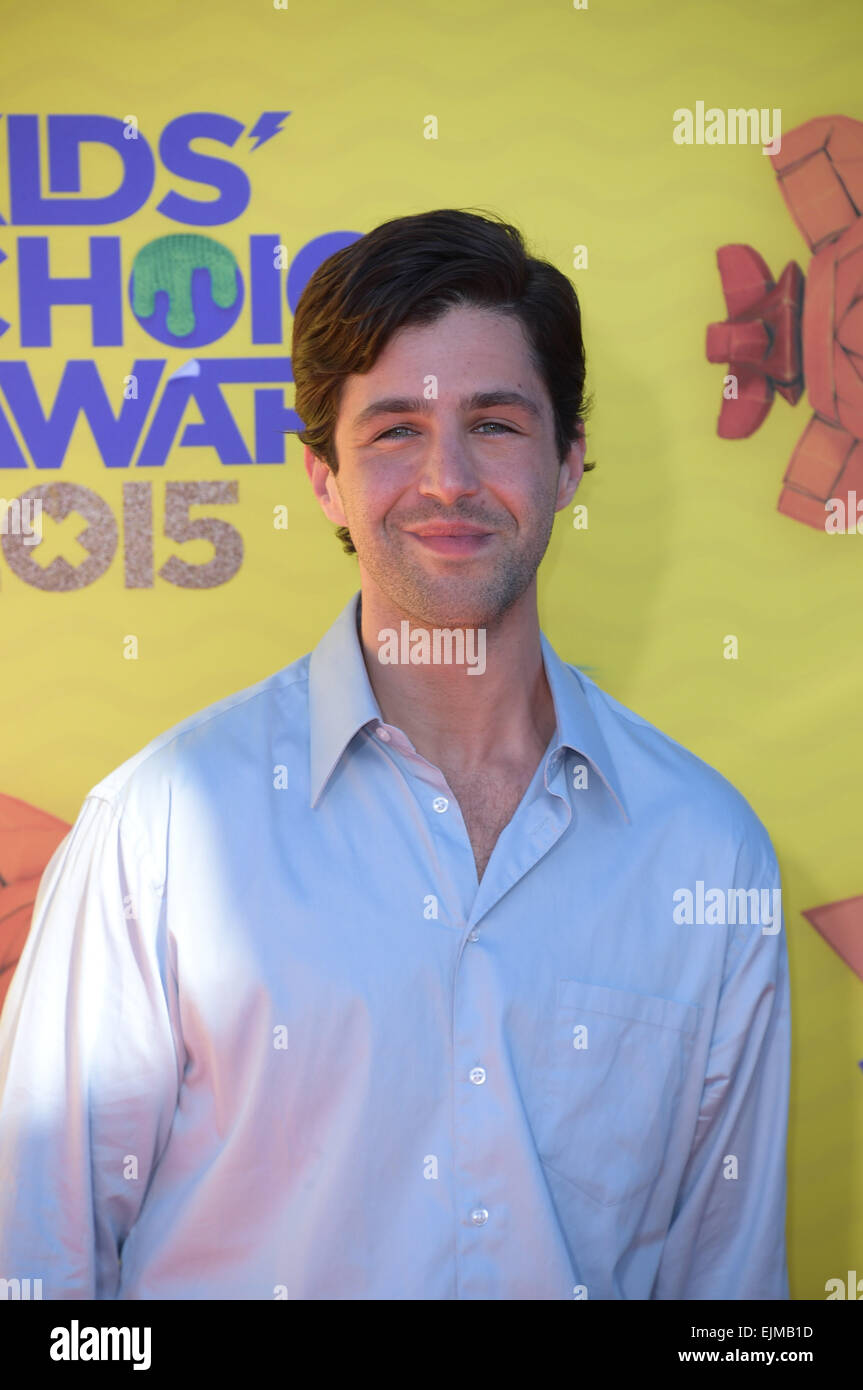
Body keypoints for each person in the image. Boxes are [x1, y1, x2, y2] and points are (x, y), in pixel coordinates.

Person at [0, 208, 790, 1300]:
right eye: (392, 432)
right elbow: (38, 1270)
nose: (448, 478)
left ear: (567, 463)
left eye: (495, 423)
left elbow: (727, 1293)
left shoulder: (705, 855)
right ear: (325, 477)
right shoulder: (159, 829)